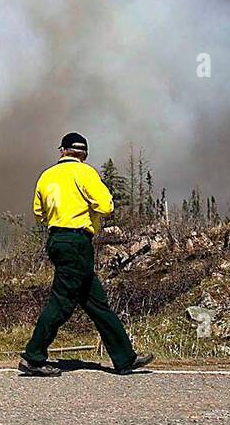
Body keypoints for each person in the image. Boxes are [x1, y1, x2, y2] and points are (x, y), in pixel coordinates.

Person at [20, 132, 154, 377]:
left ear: (62, 151)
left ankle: (125, 359)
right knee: (61, 302)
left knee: (96, 303)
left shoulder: (47, 175)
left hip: (56, 239)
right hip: (77, 242)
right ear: (84, 154)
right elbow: (106, 206)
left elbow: (39, 214)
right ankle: (33, 357)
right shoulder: (85, 173)